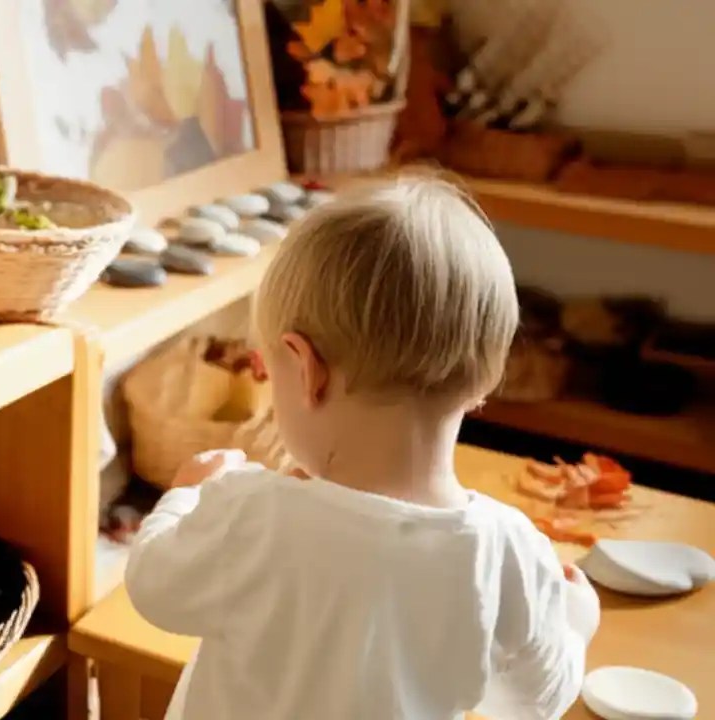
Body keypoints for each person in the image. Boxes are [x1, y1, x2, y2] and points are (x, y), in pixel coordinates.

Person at [123, 175, 600, 720]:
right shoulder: (509, 553)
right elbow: (533, 701)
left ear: (305, 370)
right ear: (483, 382)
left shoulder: (247, 511)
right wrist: (575, 628)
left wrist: (186, 496)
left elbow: (153, 586)